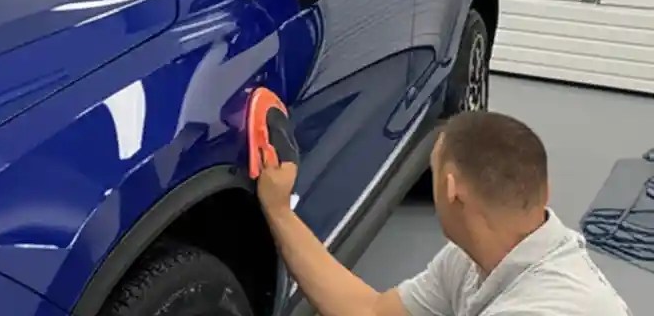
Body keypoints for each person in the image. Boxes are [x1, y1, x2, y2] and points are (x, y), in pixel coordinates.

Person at [256, 111, 632, 315]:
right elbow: (370, 311)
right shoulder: (470, 263)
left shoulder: (547, 305)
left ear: (451, 191)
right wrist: (279, 210)